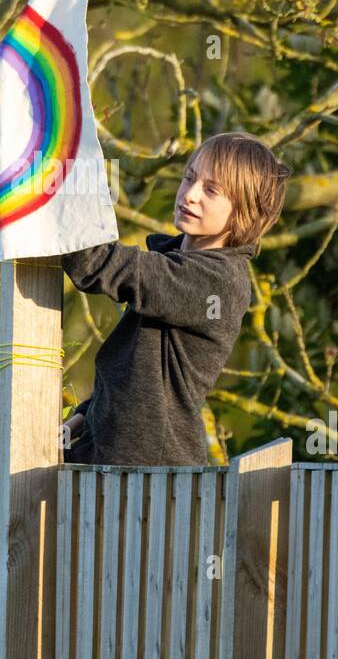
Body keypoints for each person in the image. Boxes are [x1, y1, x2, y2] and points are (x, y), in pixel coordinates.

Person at [60, 131, 291, 468]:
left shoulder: (215, 280)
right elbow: (132, 382)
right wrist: (75, 424)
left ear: (244, 212)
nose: (190, 194)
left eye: (211, 190)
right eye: (189, 178)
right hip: (109, 459)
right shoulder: (176, 266)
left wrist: (60, 179)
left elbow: (97, 265)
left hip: (153, 478)